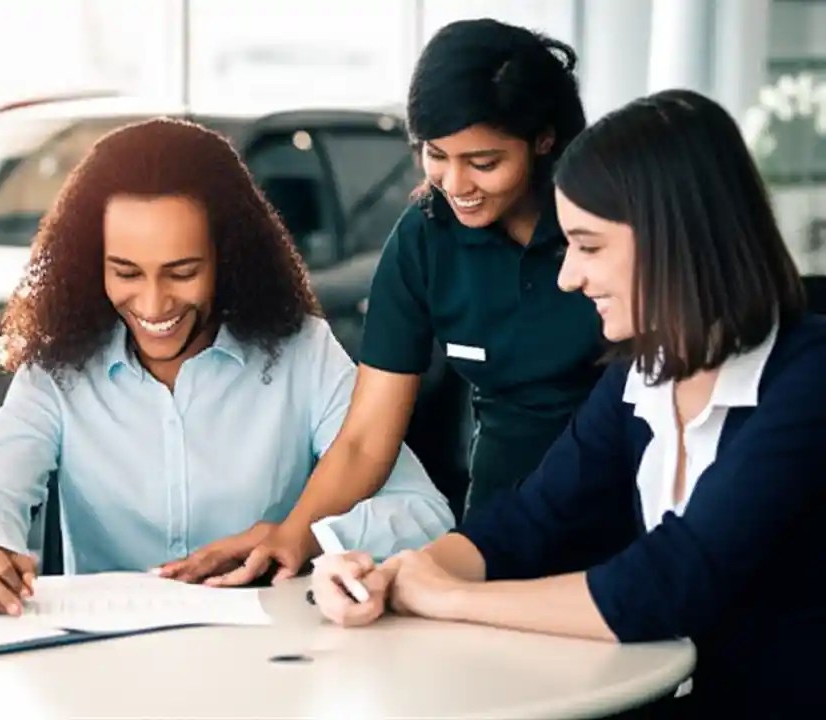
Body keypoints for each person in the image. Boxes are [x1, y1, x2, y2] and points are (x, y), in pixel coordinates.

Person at [312, 89, 822, 715]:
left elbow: (670, 584)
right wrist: (395, 577)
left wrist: (445, 597)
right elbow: (531, 521)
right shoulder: (644, 372)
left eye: (590, 245)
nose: (568, 277)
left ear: (675, 238)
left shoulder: (808, 378)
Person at [0, 118, 454, 615]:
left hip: (269, 666)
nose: (154, 304)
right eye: (126, 273)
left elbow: (424, 515)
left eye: (182, 272)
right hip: (107, 670)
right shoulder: (60, 367)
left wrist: (308, 537)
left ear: (228, 258)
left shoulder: (302, 353)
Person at [209, 18, 606, 587]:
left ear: (543, 139)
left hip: (621, 526)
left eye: (484, 162)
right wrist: (295, 533)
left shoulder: (603, 226)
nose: (455, 182)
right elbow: (368, 437)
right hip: (496, 537)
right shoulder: (426, 238)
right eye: (435, 154)